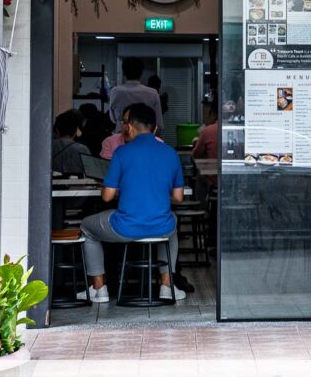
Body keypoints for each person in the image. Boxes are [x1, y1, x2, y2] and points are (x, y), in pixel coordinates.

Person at [78, 103, 186, 303]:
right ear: (155, 128)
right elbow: (178, 197)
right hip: (160, 226)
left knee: (86, 227)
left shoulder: (121, 153)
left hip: (125, 228)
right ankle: (166, 285)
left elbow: (107, 197)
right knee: (171, 223)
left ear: (129, 127)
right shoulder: (170, 153)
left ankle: (99, 288)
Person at [108, 58, 164, 132]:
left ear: (124, 72)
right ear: (141, 73)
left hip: (122, 134)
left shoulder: (115, 91)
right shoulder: (152, 93)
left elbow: (113, 119)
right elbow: (159, 124)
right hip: (144, 135)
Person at [51, 110, 90, 176]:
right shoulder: (83, 149)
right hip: (77, 182)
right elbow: (89, 172)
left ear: (57, 130)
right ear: (75, 131)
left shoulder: (49, 147)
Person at [191, 99, 219, 188]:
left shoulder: (207, 131)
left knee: (200, 175)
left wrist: (197, 142)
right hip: (229, 176)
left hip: (214, 178)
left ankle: (201, 197)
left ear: (213, 114)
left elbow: (196, 154)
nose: (204, 118)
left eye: (205, 114)